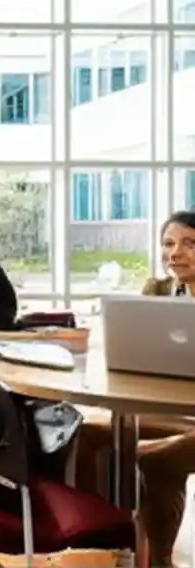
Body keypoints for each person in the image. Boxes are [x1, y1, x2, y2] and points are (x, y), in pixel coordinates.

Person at [73, 211, 195, 567]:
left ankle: (156, 560)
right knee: (86, 436)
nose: (176, 253)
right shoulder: (157, 291)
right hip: (171, 409)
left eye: (190, 244)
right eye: (168, 244)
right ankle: (96, 549)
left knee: (154, 459)